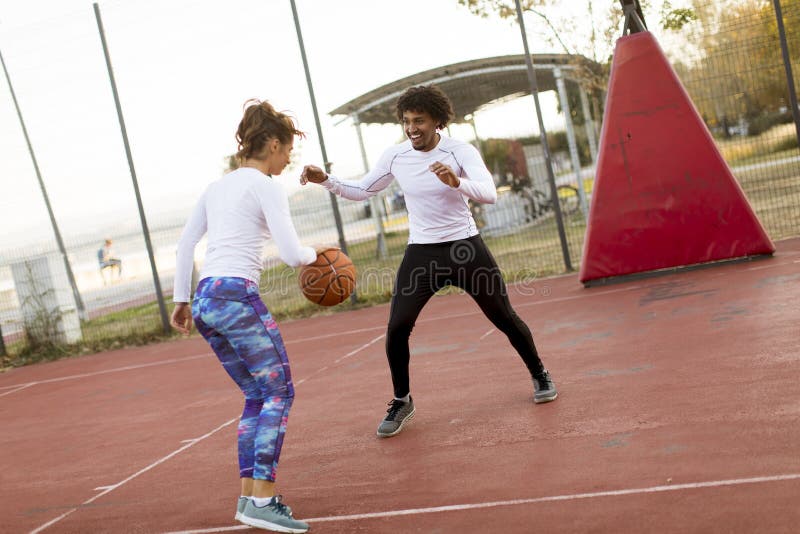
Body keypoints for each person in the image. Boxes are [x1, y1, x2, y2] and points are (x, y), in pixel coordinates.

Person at [301, 85, 558, 439]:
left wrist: (457, 182)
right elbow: (364, 190)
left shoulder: (460, 151)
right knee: (396, 327)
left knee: (504, 317)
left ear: (438, 121)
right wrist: (326, 180)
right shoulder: (396, 156)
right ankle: (401, 399)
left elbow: (489, 193)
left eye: (419, 120)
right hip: (422, 252)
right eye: (406, 121)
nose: (412, 128)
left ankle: (539, 371)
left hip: (464, 248)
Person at [171, 99, 317, 533]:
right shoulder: (266, 185)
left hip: (205, 300)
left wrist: (182, 299)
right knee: (280, 393)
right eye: (287, 149)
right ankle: (264, 499)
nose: (289, 159)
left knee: (257, 396)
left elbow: (184, 246)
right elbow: (293, 254)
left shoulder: (217, 187)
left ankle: (249, 499)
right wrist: (321, 254)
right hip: (236, 295)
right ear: (272, 143)